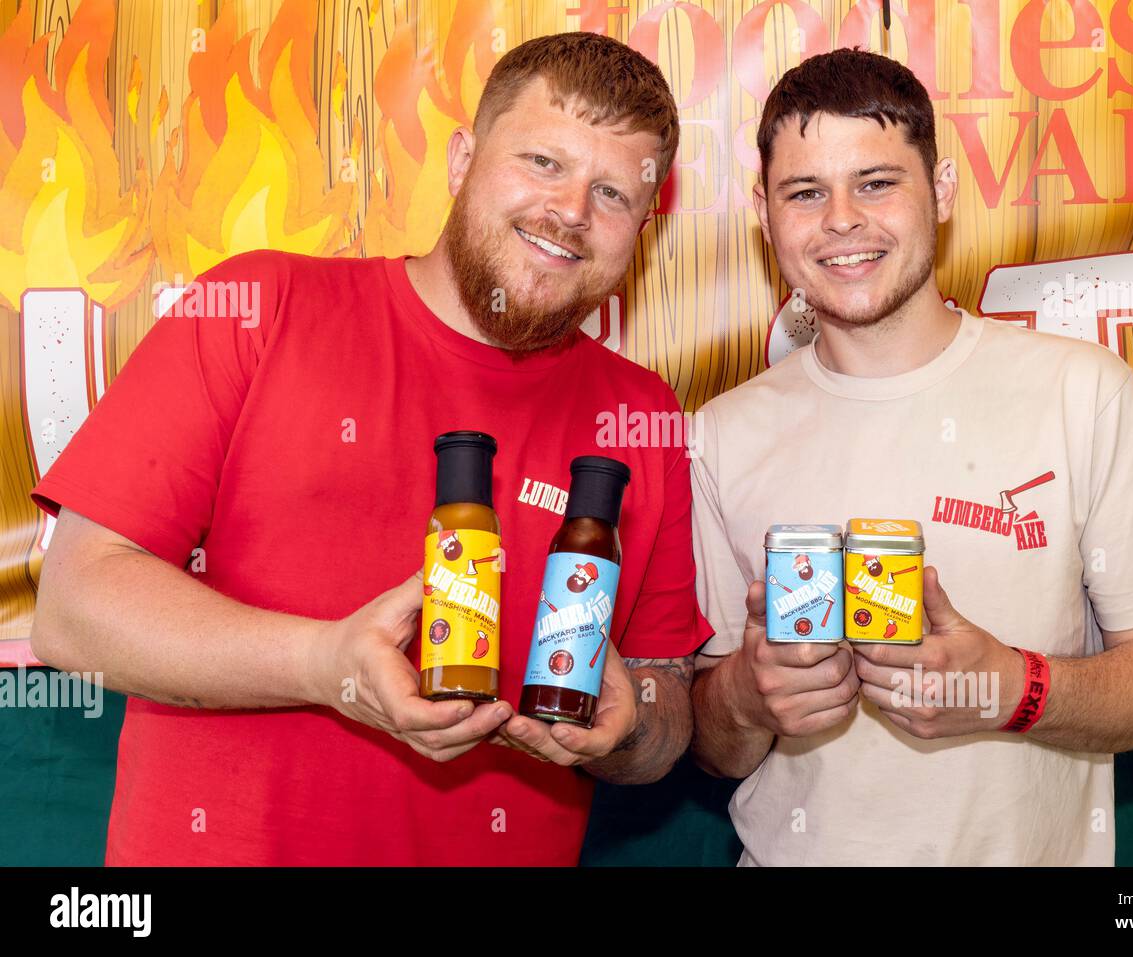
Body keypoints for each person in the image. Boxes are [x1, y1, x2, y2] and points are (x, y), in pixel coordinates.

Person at [30, 32, 711, 866]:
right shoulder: (258, 308)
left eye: (611, 193)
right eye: (542, 162)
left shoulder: (642, 417)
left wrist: (632, 725)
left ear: (643, 224)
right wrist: (324, 663)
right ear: (461, 159)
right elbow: (74, 609)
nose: (571, 210)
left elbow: (665, 699)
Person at [688, 48, 1133, 866]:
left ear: (941, 191)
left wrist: (1012, 686)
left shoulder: (1080, 391)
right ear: (764, 216)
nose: (842, 219)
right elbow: (714, 746)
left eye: (876, 182)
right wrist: (741, 693)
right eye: (805, 192)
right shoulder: (721, 434)